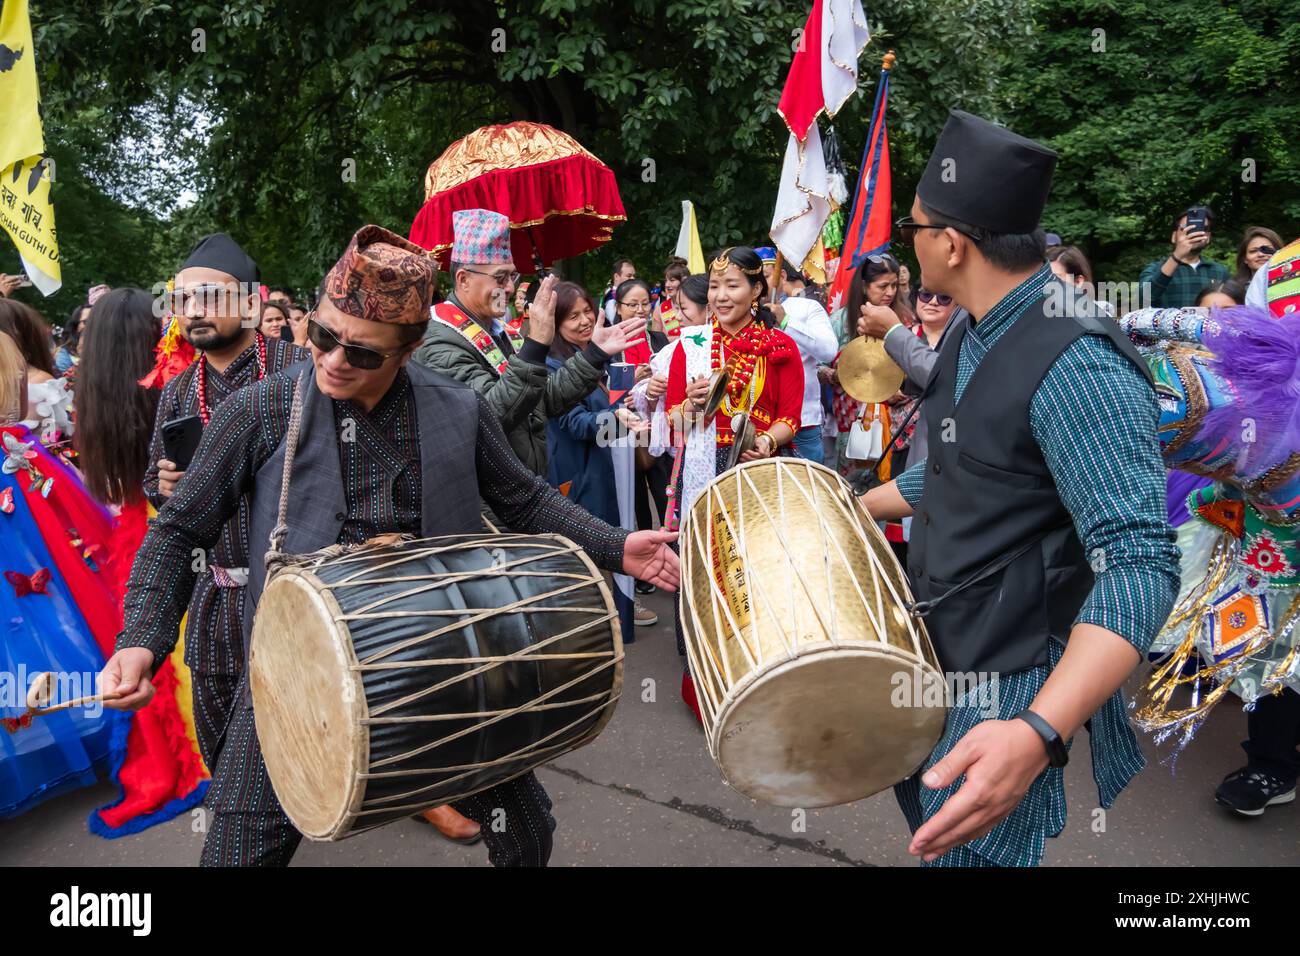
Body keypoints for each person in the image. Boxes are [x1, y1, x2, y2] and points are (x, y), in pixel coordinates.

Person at [98, 224, 679, 868]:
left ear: (408, 351)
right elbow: (177, 530)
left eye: (363, 353)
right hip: (297, 668)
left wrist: (616, 545)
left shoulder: (458, 408)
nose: (334, 361)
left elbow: (525, 500)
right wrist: (141, 638)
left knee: (525, 832)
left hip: (444, 653)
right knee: (237, 853)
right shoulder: (262, 410)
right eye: (321, 336)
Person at [860, 109, 1180, 867]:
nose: (908, 246)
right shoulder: (978, 323)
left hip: (1008, 688)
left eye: (914, 228)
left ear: (952, 244)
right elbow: (961, 465)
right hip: (938, 652)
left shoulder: (1078, 361)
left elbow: (1140, 564)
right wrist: (842, 508)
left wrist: (1039, 732)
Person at [143, 234, 308, 775]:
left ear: (252, 303)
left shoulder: (301, 370)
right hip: (216, 599)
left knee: (312, 730)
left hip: (295, 593)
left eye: (210, 297)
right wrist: (164, 487)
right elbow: (152, 483)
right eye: (182, 300)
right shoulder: (178, 391)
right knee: (223, 750)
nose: (192, 312)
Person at [413, 209, 643, 477]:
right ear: (463, 279)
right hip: (482, 502)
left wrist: (594, 354)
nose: (509, 289)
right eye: (500, 278)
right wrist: (535, 345)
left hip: (521, 487)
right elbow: (490, 418)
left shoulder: (499, 332)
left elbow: (541, 401)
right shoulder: (439, 339)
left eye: (512, 277)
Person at [858, 284, 961, 564]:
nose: (933, 302)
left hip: (952, 458)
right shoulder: (916, 333)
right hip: (912, 446)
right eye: (926, 295)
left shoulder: (966, 325)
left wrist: (893, 333)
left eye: (944, 295)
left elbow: (944, 378)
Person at [823, 253, 911, 485]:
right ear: (864, 286)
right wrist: (832, 375)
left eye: (894, 285)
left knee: (885, 490)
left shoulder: (903, 320)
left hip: (892, 422)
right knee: (848, 491)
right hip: (851, 423)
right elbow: (818, 366)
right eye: (883, 286)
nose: (890, 292)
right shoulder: (840, 322)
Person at [769, 263, 837, 465]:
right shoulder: (739, 314)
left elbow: (828, 350)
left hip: (802, 423)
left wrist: (785, 321)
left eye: (765, 275)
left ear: (781, 276)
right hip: (754, 426)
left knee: (808, 490)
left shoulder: (806, 308)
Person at [1138, 205, 1231, 308]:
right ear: (1174, 236)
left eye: (1202, 228)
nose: (1194, 233)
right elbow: (1142, 299)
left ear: (1208, 237)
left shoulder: (1220, 271)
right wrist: (1177, 256)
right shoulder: (1155, 268)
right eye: (1187, 227)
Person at [55, 303, 89, 373]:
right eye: (87, 321)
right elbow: (64, 380)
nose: (93, 324)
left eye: (96, 321)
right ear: (76, 326)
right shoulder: (65, 355)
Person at [601, 257, 636, 325]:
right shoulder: (612, 299)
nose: (633, 278)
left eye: (634, 276)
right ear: (616, 276)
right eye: (629, 276)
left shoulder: (623, 295)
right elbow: (615, 325)